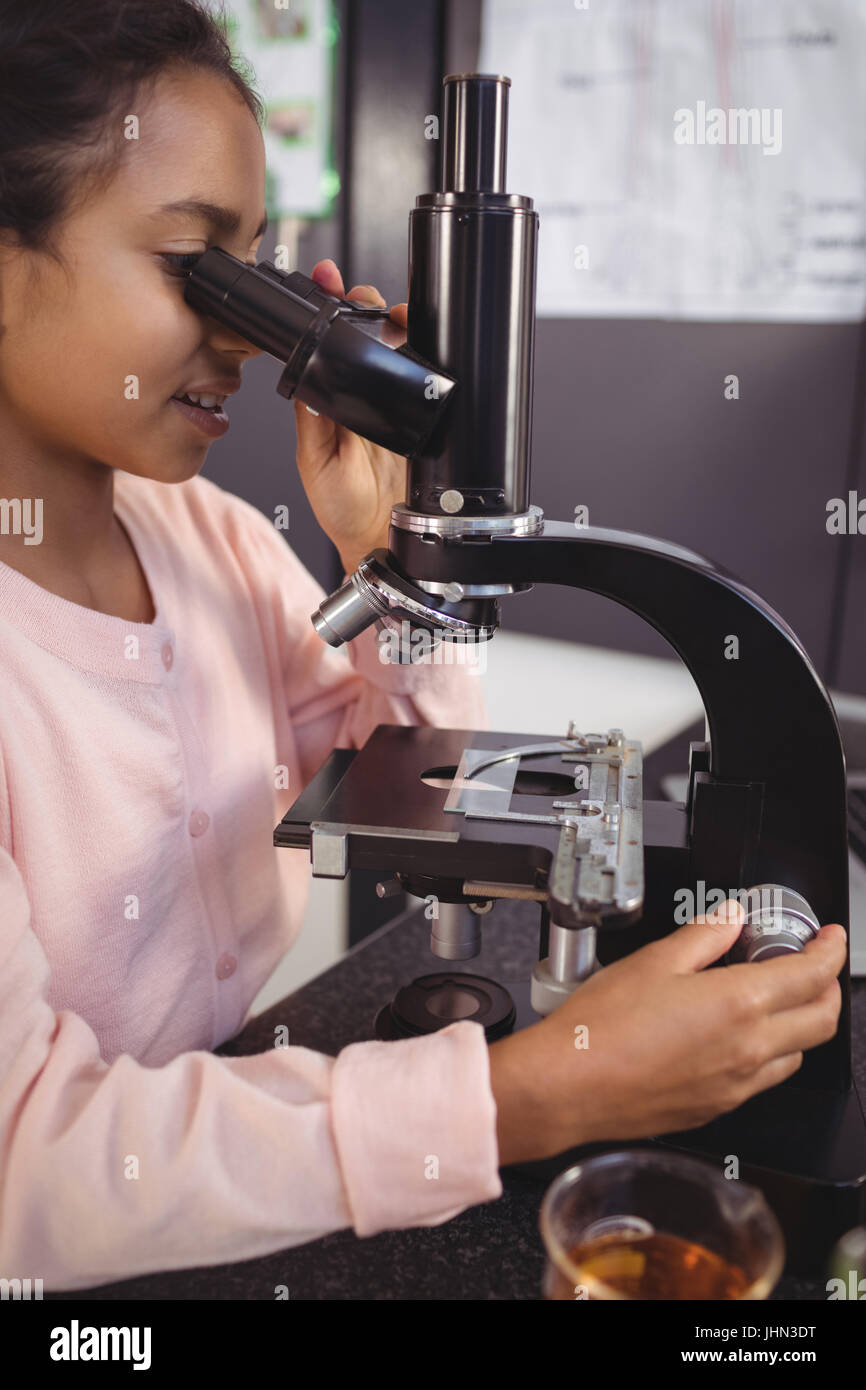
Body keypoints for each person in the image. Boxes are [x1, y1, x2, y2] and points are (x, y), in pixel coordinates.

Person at [0, 0, 845, 1291]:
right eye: (200, 273)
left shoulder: (206, 537)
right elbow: (29, 1165)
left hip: (237, 1156)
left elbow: (397, 761)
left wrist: (376, 546)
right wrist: (524, 1096)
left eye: (265, 279)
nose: (248, 337)